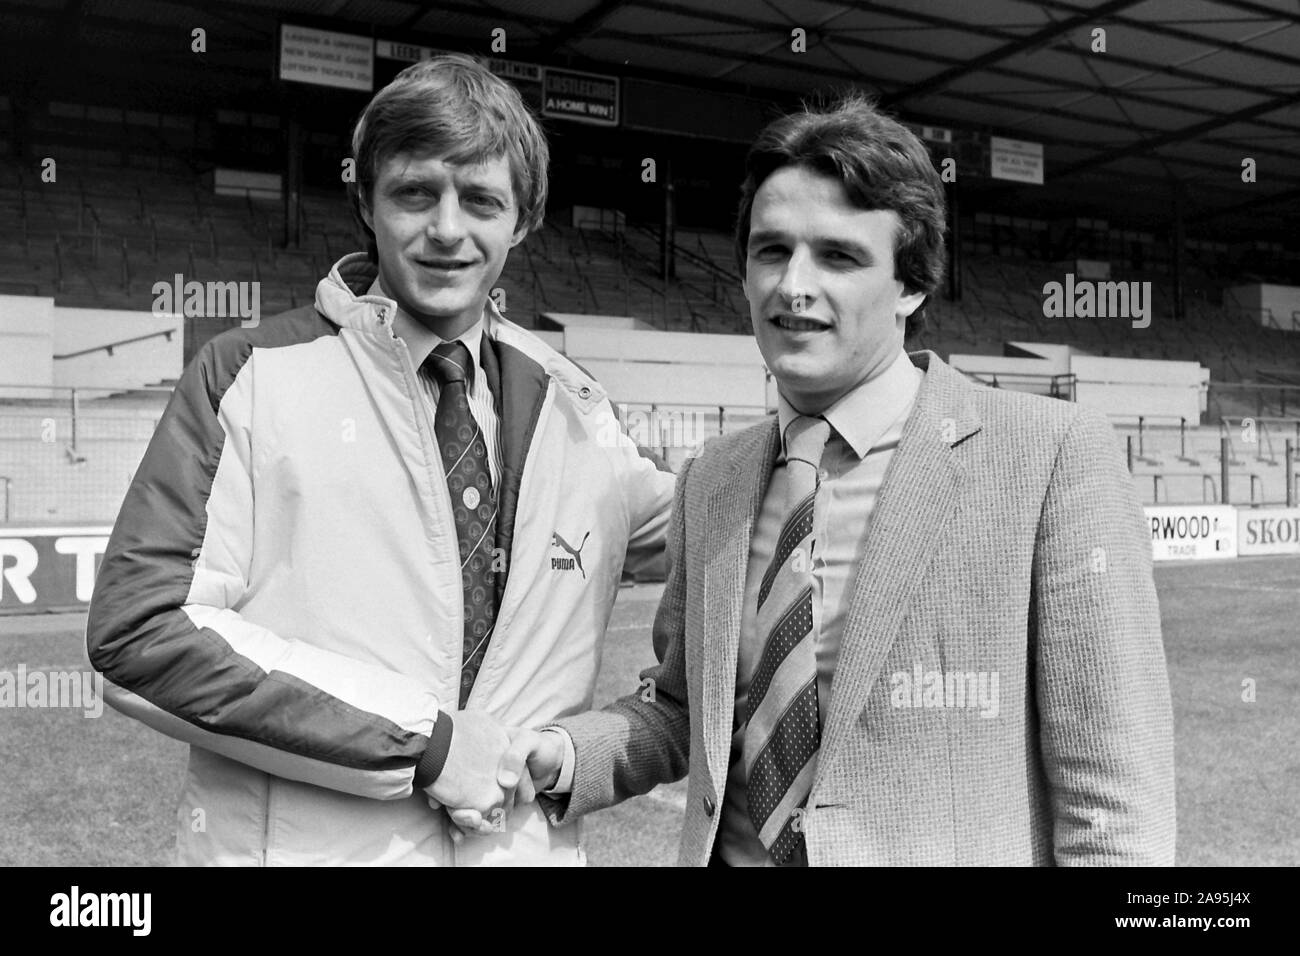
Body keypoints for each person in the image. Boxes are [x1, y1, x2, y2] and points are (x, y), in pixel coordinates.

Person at [501, 91, 1176, 866]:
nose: (793, 284)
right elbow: (686, 707)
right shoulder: (711, 479)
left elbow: (1115, 804)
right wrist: (563, 754)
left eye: (838, 256)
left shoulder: (1049, 457)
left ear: (912, 283)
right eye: (771, 251)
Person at [85, 54, 674, 866]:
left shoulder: (577, 406)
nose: (447, 229)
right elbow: (140, 633)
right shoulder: (248, 375)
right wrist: (425, 744)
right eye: (415, 193)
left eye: (481, 200)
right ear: (365, 201)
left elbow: (731, 524)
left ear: (523, 219)